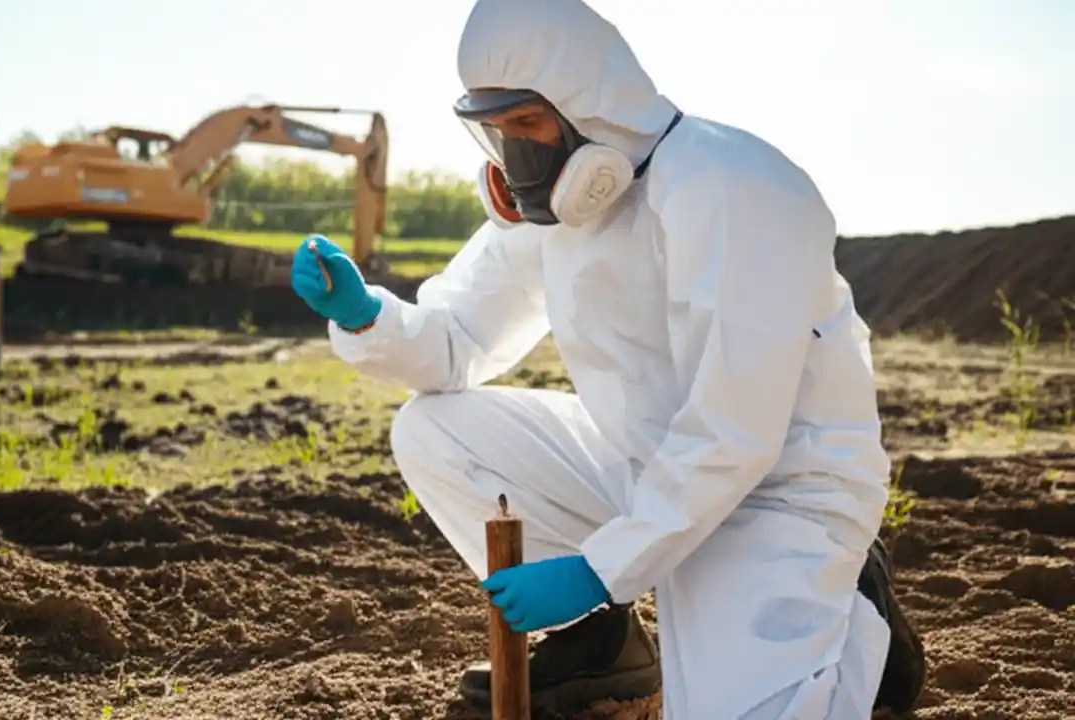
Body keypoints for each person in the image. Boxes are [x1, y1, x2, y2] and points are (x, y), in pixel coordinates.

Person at [289, 0, 927, 716]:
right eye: (497, 131)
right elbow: (458, 344)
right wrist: (369, 316)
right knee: (435, 429)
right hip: (645, 467)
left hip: (775, 495)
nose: (515, 154)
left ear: (591, 104)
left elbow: (733, 431)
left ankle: (859, 625)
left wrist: (602, 566)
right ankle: (602, 649)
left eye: (527, 125)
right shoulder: (562, 210)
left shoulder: (734, 189)